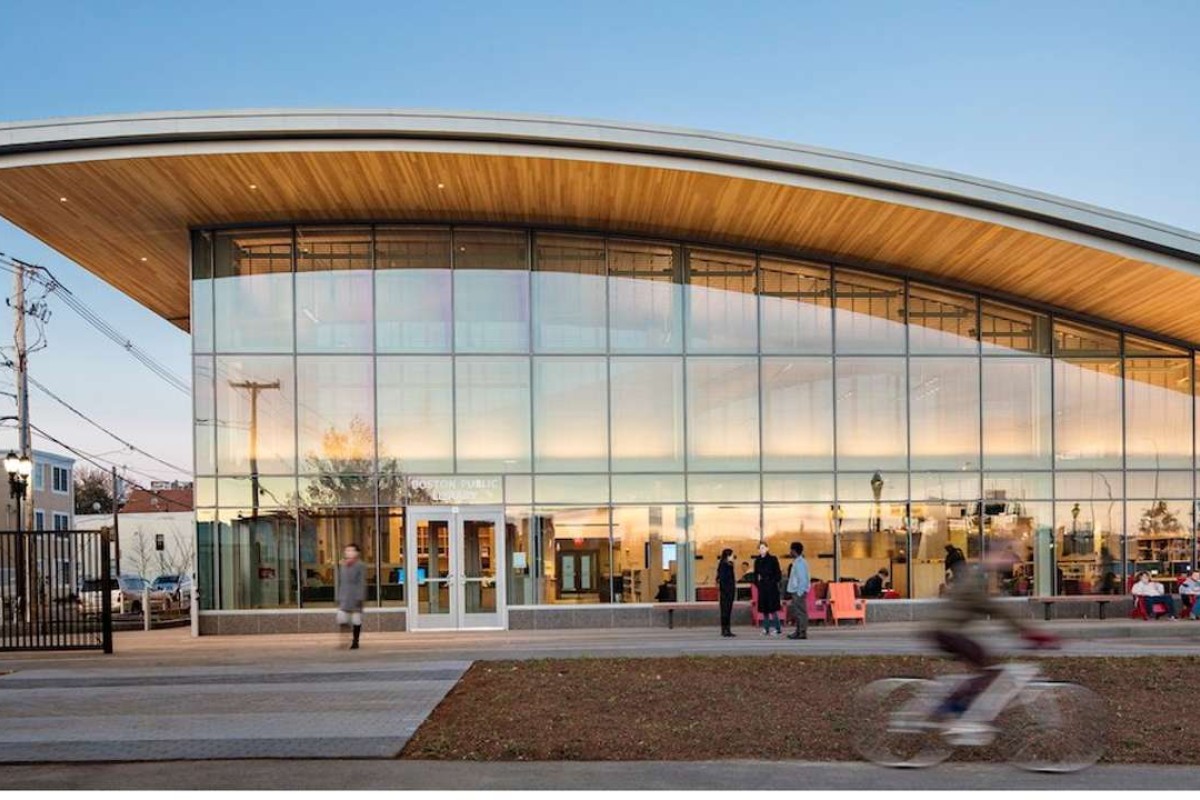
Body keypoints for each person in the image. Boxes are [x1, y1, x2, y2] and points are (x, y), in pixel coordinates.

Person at [928, 554, 1059, 732]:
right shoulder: (973, 588)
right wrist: (1031, 634)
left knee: (981, 659)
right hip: (946, 633)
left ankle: (959, 705)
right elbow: (1000, 612)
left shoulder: (968, 584)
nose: (997, 581)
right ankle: (950, 706)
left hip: (943, 632)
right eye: (996, 576)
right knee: (985, 670)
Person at [337, 543, 367, 649]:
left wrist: (360, 597)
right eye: (347, 550)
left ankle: (355, 641)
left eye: (351, 550)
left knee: (356, 620)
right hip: (345, 596)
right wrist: (339, 596)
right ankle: (344, 639)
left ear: (356, 553)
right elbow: (342, 582)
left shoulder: (360, 565)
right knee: (342, 618)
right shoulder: (343, 565)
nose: (349, 552)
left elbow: (361, 582)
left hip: (355, 596)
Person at [753, 542, 783, 636]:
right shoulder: (757, 560)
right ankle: (766, 628)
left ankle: (778, 628)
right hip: (762, 587)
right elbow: (755, 574)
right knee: (764, 609)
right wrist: (758, 584)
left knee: (773, 609)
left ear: (767, 548)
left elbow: (778, 574)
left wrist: (772, 581)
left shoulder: (773, 559)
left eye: (763, 548)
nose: (761, 550)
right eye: (759, 548)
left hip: (772, 587)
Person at [785, 542, 810, 640]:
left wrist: (799, 592)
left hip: (798, 591)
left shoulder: (800, 563)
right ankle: (798, 631)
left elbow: (803, 579)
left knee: (801, 612)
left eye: (791, 550)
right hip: (796, 591)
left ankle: (802, 632)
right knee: (797, 612)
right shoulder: (797, 562)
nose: (790, 552)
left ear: (794, 551)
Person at [716, 548, 737, 638]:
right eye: (732, 555)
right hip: (726, 592)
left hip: (729, 591)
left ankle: (727, 629)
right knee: (725, 611)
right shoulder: (724, 565)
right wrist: (727, 590)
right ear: (728, 556)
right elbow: (723, 580)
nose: (733, 557)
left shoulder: (730, 565)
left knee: (728, 611)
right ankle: (725, 630)